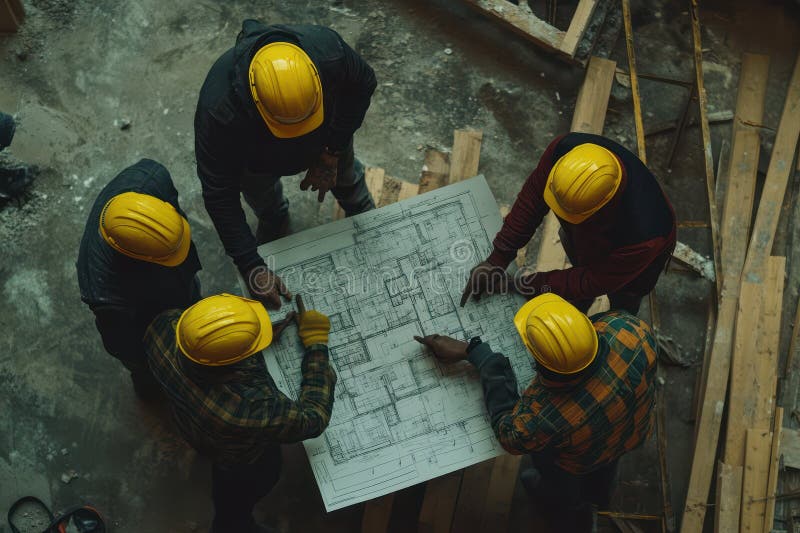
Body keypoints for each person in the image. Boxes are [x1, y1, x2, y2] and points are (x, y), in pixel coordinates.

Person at [415, 293, 657, 532]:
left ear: (544, 367)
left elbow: (509, 434)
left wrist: (478, 354)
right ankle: (599, 497)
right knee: (603, 474)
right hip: (630, 434)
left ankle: (574, 517)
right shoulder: (631, 329)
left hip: (576, 464)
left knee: (565, 498)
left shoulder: (546, 416)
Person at [195, 19, 377, 311]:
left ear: (317, 80)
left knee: (345, 175)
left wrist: (333, 150)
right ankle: (274, 217)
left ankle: (358, 204)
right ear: (254, 101)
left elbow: (363, 84)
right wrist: (251, 264)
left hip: (328, 139)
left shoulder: (329, 53)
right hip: (255, 161)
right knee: (260, 194)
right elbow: (219, 192)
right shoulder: (220, 112)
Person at [144, 293, 337, 533]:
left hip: (190, 426)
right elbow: (313, 417)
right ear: (234, 363)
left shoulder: (163, 327)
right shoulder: (246, 408)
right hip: (240, 461)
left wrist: (248, 337)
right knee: (239, 498)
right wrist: (317, 346)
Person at [462, 133, 676, 314]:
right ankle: (579, 307)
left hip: (633, 271)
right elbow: (531, 201)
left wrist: (522, 284)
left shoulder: (646, 233)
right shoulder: (565, 152)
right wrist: (497, 259)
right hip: (587, 238)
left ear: (600, 208)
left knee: (622, 307)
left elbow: (591, 281)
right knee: (577, 282)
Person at [76, 159, 202, 399]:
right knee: (145, 370)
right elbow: (122, 345)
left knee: (191, 306)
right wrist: (156, 363)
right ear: (137, 259)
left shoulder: (151, 177)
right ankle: (149, 388)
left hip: (166, 274)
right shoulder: (105, 291)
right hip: (136, 315)